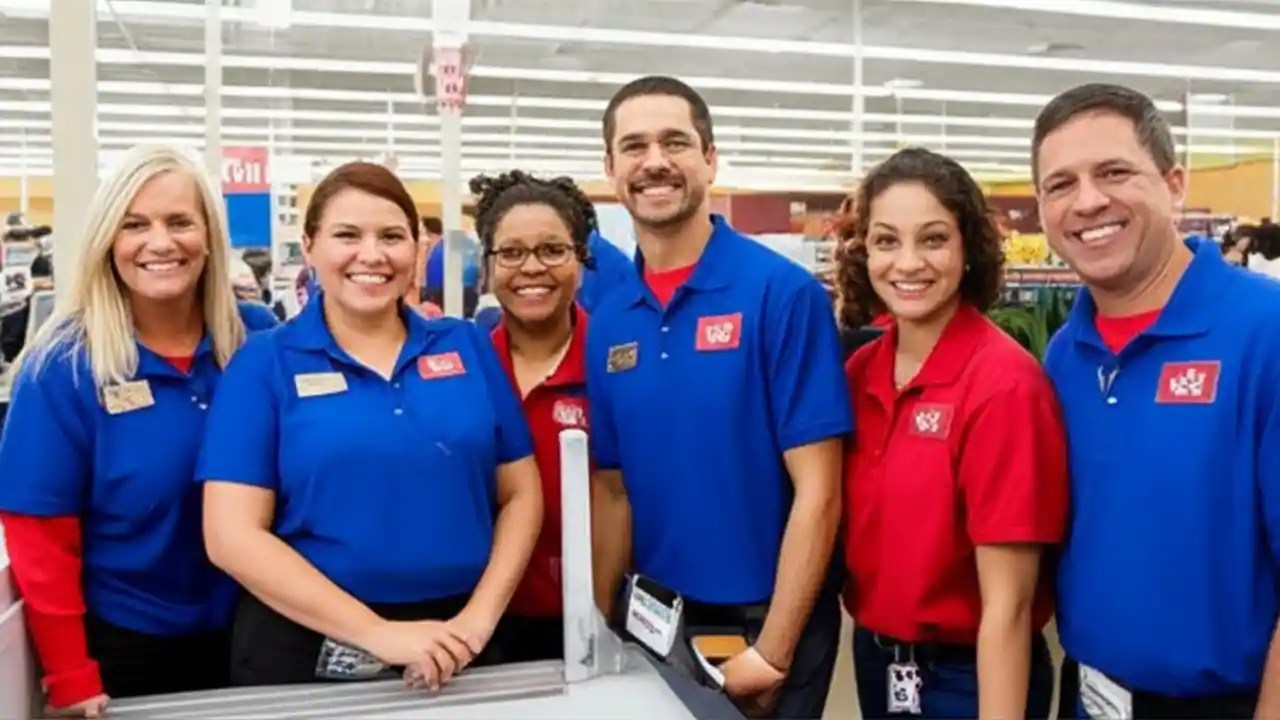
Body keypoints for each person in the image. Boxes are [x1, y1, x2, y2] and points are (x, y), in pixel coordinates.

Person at [197, 161, 543, 691]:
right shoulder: (264, 364)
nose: (372, 254)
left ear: (418, 248)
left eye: (391, 236)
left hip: (462, 641)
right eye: (347, 235)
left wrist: (478, 621)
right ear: (309, 247)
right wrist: (377, 633)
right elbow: (230, 535)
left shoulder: (466, 346)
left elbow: (521, 494)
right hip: (306, 649)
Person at [586, 75, 850, 718]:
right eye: (635, 146)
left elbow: (820, 490)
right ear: (611, 167)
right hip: (657, 625)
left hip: (766, 625)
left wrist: (776, 650)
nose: (655, 161)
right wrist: (600, 628)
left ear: (709, 158)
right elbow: (614, 491)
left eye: (675, 142)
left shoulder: (781, 295)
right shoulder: (610, 316)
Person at [0, 143, 278, 718]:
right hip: (132, 647)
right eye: (135, 225)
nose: (159, 242)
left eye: (179, 221)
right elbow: (40, 537)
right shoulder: (64, 364)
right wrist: (70, 674)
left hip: (264, 628)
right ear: (108, 240)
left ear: (209, 236)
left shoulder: (254, 339)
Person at [1035, 83, 1280, 719]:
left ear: (1174, 183)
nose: (1088, 201)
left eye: (1114, 172)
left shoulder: (1264, 332)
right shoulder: (1064, 353)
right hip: (1090, 695)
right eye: (1060, 184)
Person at [835, 147, 1068, 719]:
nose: (907, 262)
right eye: (887, 241)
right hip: (880, 659)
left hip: (970, 676)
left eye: (933, 239)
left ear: (968, 250)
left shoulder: (1004, 385)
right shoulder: (861, 373)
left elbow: (1008, 608)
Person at [469, 169, 596, 661]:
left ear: (580, 261)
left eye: (552, 250)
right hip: (481, 618)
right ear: (487, 265)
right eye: (511, 252)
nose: (531, 268)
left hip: (598, 616)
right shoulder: (463, 371)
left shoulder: (617, 364)